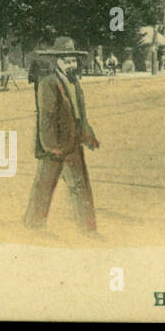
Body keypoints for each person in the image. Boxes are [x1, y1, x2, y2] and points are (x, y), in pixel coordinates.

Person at [23, 41, 100, 233]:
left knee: (81, 185)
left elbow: (79, 112)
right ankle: (34, 226)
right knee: (45, 186)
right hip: (54, 144)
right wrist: (50, 145)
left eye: (73, 60)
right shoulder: (48, 82)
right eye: (67, 61)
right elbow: (46, 117)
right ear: (58, 61)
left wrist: (87, 133)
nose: (72, 64)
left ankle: (88, 229)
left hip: (73, 142)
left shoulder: (74, 82)